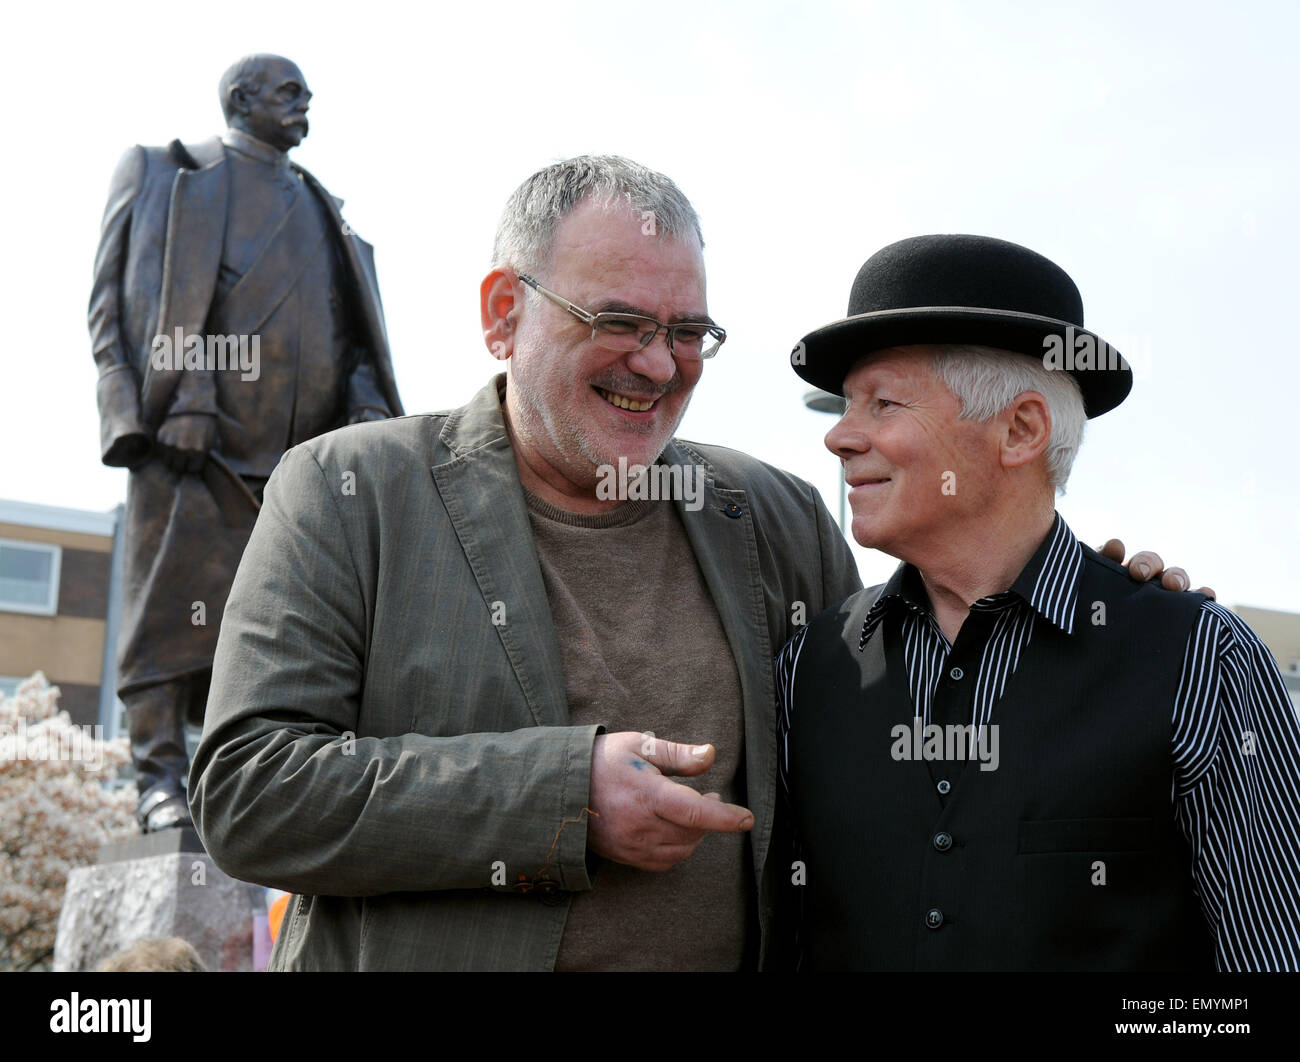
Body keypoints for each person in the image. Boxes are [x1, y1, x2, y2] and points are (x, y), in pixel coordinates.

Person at [189, 160, 1191, 971]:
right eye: (619, 322)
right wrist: (563, 799)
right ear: (503, 312)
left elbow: (902, 719)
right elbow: (248, 792)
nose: (659, 366)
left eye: (687, 333)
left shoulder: (772, 516)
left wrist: (1095, 607)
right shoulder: (349, 489)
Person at [776, 233, 1300, 971]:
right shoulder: (808, 667)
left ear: (1020, 430)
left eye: (883, 403)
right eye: (844, 405)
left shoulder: (1203, 658)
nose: (838, 437)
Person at [89, 54, 402, 832]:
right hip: (196, 445)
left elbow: (356, 337)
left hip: (304, 465)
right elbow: (115, 304)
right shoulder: (170, 173)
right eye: (290, 92)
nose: (306, 105)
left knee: (292, 632)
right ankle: (158, 780)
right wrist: (182, 392)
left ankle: (264, 788)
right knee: (168, 616)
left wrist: (365, 409)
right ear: (241, 99)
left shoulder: (326, 210)